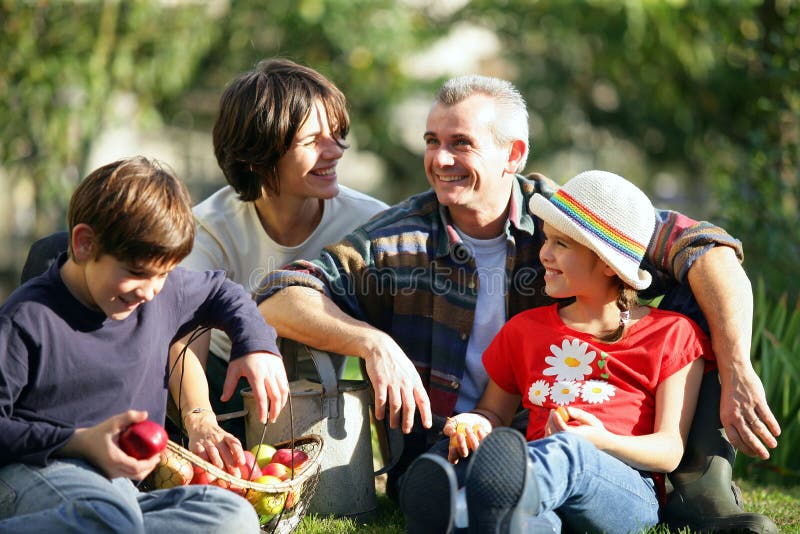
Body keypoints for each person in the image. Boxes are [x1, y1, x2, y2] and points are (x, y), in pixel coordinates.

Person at [256, 75, 779, 531]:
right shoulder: (396, 241)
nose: (439, 159)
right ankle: (471, 501)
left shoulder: (571, 218)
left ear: (514, 155)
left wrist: (735, 367)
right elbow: (279, 296)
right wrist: (371, 343)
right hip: (458, 447)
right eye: (432, 141)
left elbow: (705, 248)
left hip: (595, 455)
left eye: (461, 143)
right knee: (491, 495)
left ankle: (702, 490)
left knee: (698, 289)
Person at [400, 169, 752, 533]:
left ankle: (462, 505)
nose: (544, 254)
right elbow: (494, 412)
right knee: (522, 523)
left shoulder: (672, 334)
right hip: (544, 487)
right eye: (547, 240)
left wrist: (601, 441)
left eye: (561, 245)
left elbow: (668, 451)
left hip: (625, 489)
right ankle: (485, 515)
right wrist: (477, 422)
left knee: (573, 453)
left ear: (606, 263)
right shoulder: (524, 331)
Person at [0, 156, 289, 533]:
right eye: (136, 273)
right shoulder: (27, 317)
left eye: (164, 274)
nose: (150, 291)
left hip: (121, 493)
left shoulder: (160, 293)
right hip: (34, 472)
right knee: (110, 517)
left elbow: (222, 291)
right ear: (85, 243)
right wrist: (80, 442)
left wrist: (255, 344)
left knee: (232, 517)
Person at [172, 58, 388, 470]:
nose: (336, 151)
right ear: (258, 156)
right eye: (312, 141)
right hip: (223, 384)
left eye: (338, 134)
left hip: (321, 389)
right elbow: (186, 338)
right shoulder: (210, 226)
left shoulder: (369, 223)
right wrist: (200, 419)